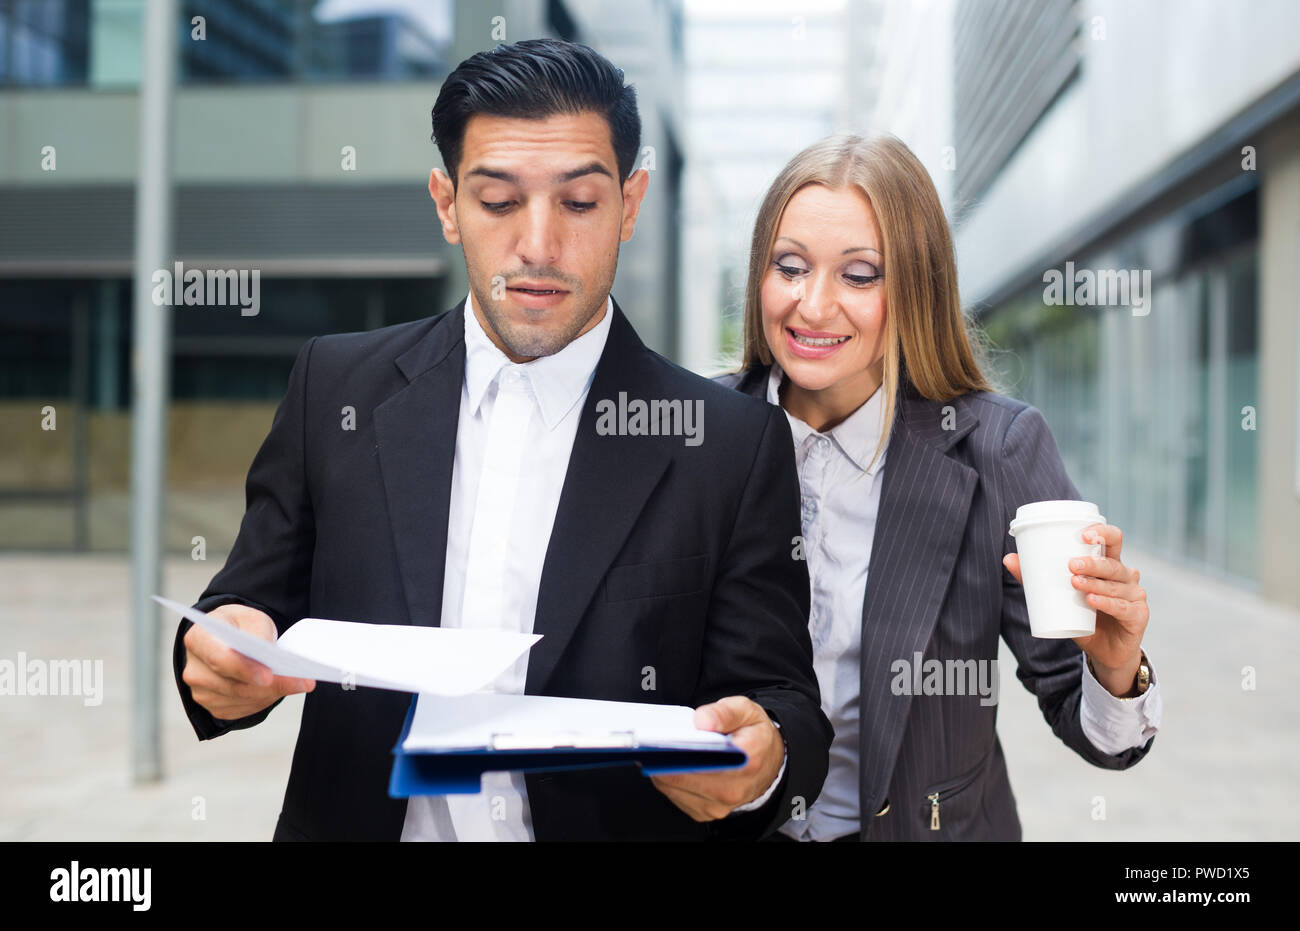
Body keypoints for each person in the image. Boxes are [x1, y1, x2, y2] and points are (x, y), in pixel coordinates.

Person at [172, 38, 831, 842]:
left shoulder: (730, 443)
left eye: (580, 203)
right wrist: (216, 654)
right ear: (447, 205)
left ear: (630, 203)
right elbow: (242, 607)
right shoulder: (335, 386)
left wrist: (762, 757)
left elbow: (784, 703)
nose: (539, 246)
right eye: (498, 201)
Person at [717, 134, 1162, 841]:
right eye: (789, 265)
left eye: (859, 275)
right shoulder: (700, 434)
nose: (812, 304)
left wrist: (1114, 670)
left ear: (915, 288)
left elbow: (1100, 735)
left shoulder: (998, 448)